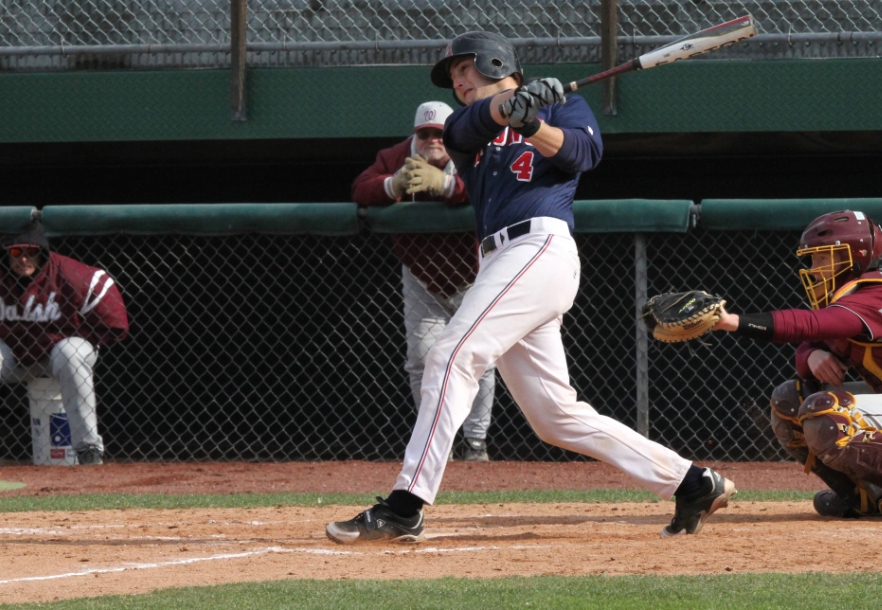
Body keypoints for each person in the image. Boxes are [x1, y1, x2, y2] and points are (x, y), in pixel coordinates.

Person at [327, 31, 736, 544]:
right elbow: (470, 126)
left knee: (451, 355)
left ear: (496, 60)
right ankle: (691, 481)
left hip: (539, 247)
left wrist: (533, 122)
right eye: (452, 76)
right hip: (500, 259)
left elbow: (584, 154)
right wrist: (506, 106)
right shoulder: (461, 125)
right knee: (554, 417)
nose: (457, 81)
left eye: (463, 69)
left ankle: (406, 505)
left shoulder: (567, 104)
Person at [713, 209, 882, 518]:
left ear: (856, 256)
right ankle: (863, 497)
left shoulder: (875, 293)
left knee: (826, 413)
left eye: (823, 258)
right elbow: (812, 341)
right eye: (813, 259)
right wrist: (811, 354)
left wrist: (731, 322)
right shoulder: (850, 297)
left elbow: (807, 324)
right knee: (789, 400)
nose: (814, 269)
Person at [352, 100, 495, 462]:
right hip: (421, 275)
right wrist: (392, 184)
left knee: (479, 358)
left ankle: (475, 442)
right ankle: (436, 441)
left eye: (440, 134)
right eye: (425, 134)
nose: (433, 140)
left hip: (473, 273)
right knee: (422, 360)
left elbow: (488, 189)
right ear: (415, 135)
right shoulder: (396, 155)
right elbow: (360, 188)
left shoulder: (473, 149)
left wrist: (447, 185)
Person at [0, 219, 129, 465]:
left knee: (70, 352)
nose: (24, 259)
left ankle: (89, 450)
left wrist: (61, 336)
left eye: (31, 252)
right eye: (16, 252)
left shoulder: (70, 274)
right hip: (13, 355)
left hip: (60, 353)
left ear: (42, 253)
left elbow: (116, 323)